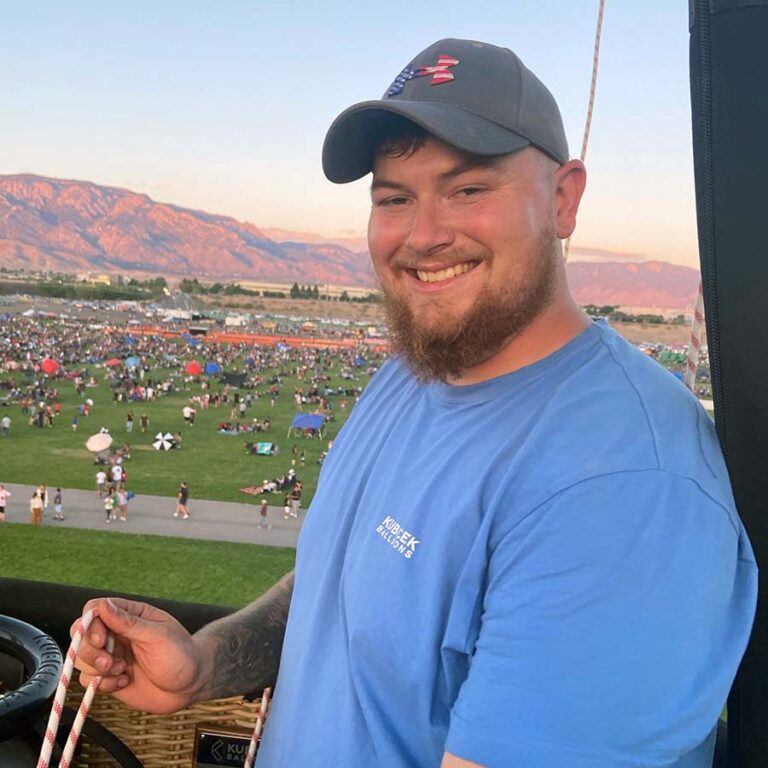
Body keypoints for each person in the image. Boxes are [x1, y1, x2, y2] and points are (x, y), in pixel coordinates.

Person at [73, 39, 756, 768]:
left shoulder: (623, 486)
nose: (424, 236)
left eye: (468, 189)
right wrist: (207, 664)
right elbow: (349, 579)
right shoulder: (413, 371)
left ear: (563, 198)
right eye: (395, 198)